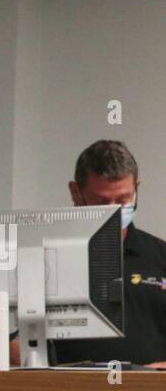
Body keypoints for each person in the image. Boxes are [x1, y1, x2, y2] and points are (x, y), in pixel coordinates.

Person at [51, 140, 166, 368]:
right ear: (75, 192)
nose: (114, 210)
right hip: (68, 388)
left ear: (136, 189)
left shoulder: (161, 256)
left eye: (123, 200)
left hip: (151, 388)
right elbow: (11, 337)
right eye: (102, 201)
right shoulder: (49, 256)